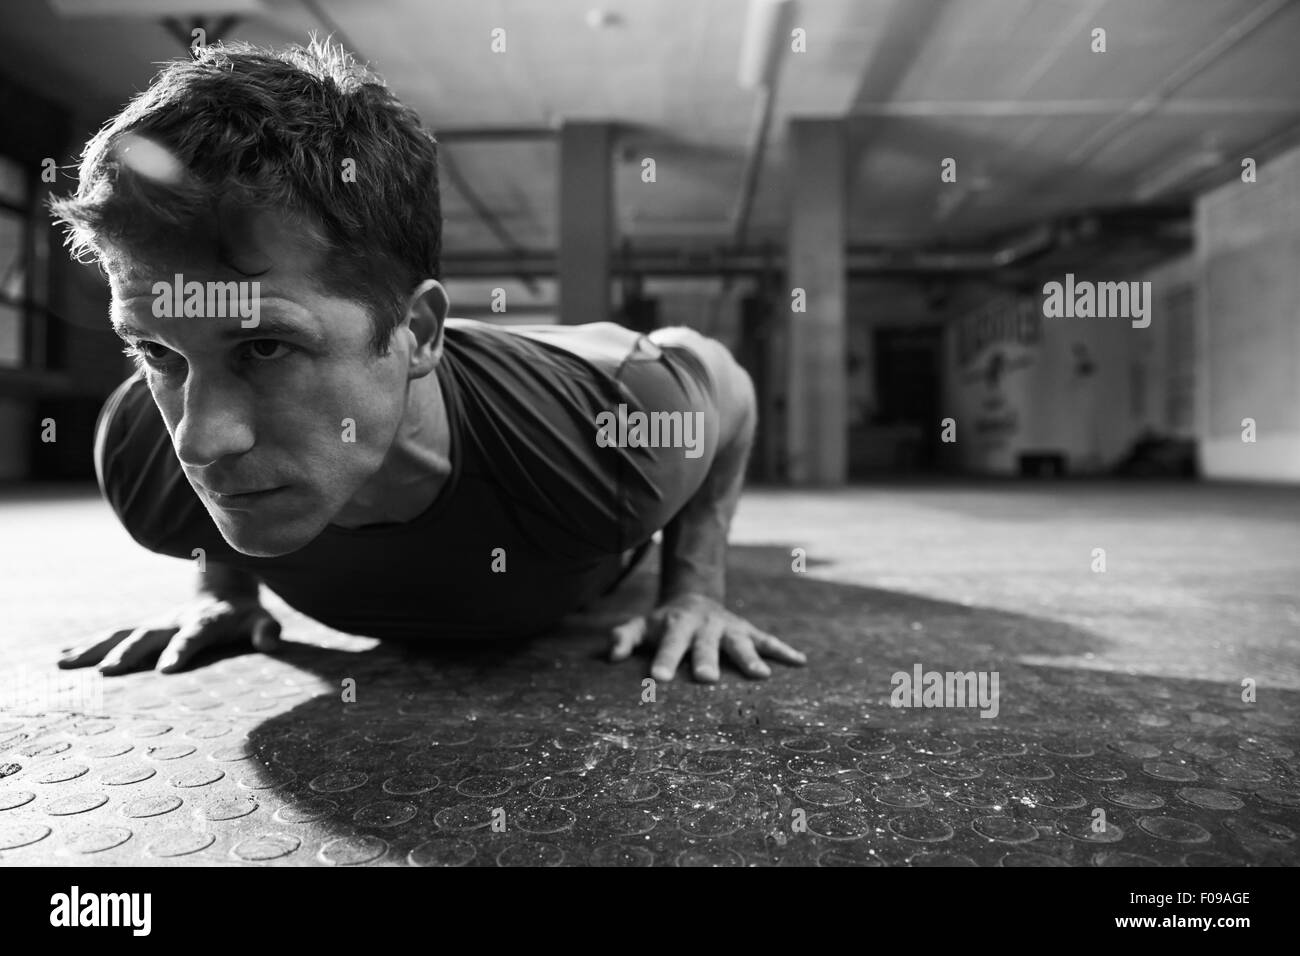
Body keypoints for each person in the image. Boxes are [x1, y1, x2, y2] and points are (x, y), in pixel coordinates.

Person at [51, 39, 806, 684]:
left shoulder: (611, 435)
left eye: (265, 347)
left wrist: (695, 585)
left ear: (419, 329)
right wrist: (224, 589)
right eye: (155, 350)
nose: (199, 442)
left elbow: (722, 378)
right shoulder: (142, 459)